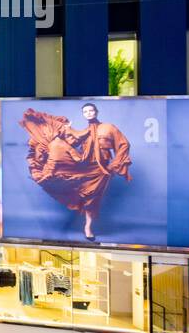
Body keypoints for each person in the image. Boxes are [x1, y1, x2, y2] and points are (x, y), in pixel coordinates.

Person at [18, 102, 131, 242]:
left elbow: (124, 144)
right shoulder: (82, 133)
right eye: (86, 111)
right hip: (85, 166)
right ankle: (84, 225)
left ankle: (88, 227)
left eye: (91, 110)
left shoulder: (109, 128)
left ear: (96, 111)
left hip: (101, 170)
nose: (89, 113)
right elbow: (69, 144)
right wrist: (64, 130)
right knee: (76, 190)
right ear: (83, 114)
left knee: (92, 199)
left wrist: (115, 165)